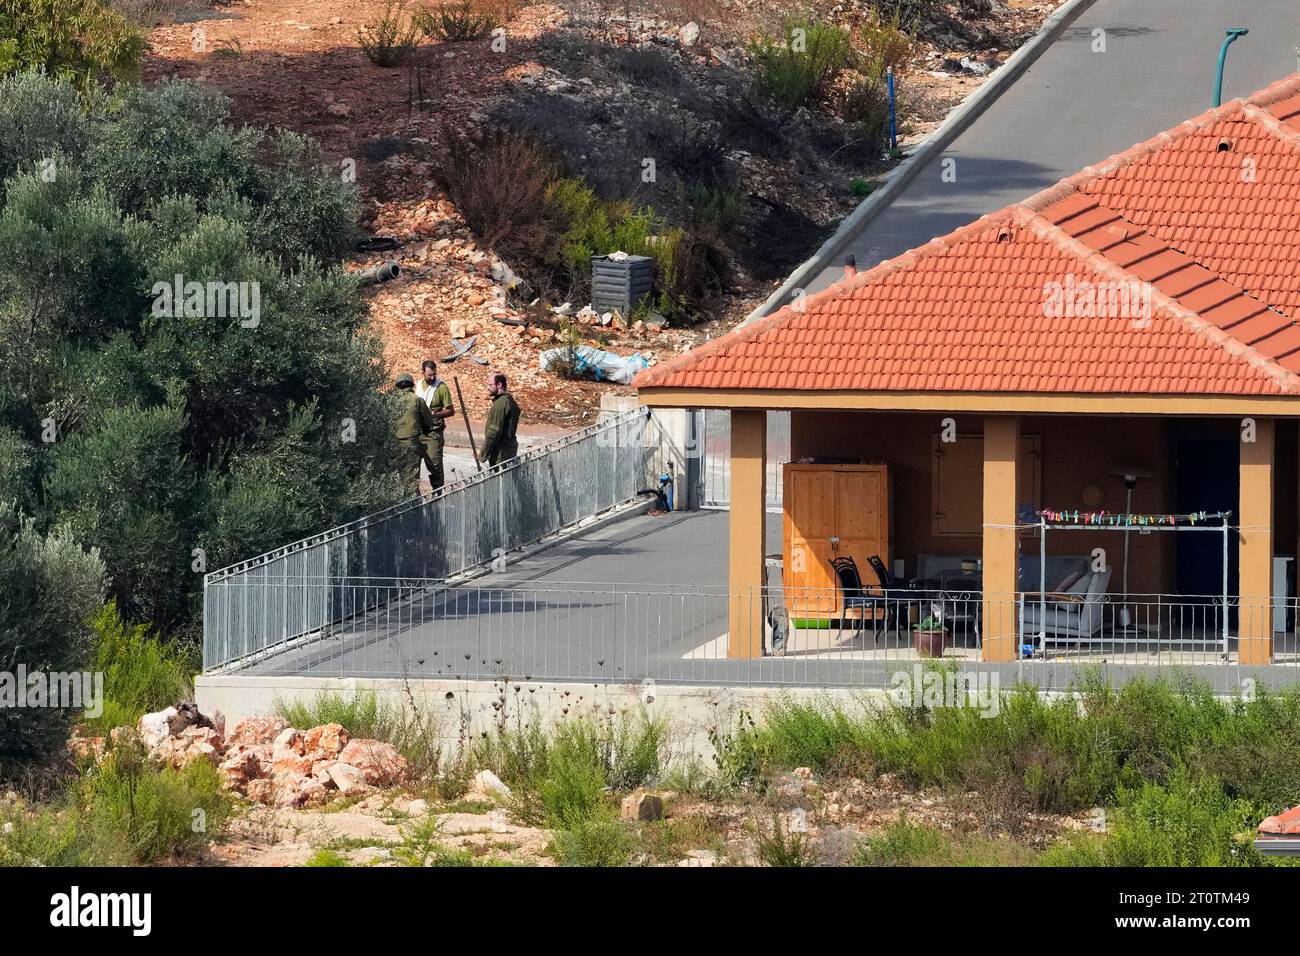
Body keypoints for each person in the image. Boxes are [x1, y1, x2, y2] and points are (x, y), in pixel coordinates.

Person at [393, 372, 437, 492]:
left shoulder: (390, 400)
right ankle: (414, 509)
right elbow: (429, 422)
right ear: (411, 386)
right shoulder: (417, 400)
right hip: (411, 446)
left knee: (390, 483)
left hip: (392, 447)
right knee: (411, 484)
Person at [414, 359, 454, 489]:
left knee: (435, 466)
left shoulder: (441, 387)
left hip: (433, 433)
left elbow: (450, 410)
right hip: (418, 431)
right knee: (413, 465)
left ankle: (438, 492)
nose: (432, 377)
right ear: (423, 373)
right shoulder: (418, 385)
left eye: (434, 374)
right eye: (429, 375)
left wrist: (436, 414)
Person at [482, 372, 521, 467]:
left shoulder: (500, 404)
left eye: (490, 385)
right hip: (508, 451)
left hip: (500, 454)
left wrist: (482, 455)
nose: (488, 388)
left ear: (499, 385)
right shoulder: (510, 402)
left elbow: (493, 432)